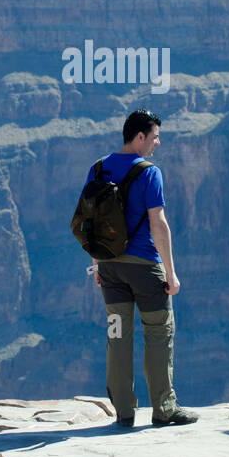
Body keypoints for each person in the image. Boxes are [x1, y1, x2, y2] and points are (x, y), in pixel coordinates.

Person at [84, 109, 198, 428]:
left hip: (109, 267)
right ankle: (163, 409)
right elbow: (158, 223)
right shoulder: (149, 172)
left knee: (117, 335)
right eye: (155, 136)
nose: (157, 143)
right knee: (159, 333)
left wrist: (96, 266)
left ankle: (123, 412)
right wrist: (171, 273)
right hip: (144, 266)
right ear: (139, 137)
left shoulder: (97, 168)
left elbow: (91, 223)